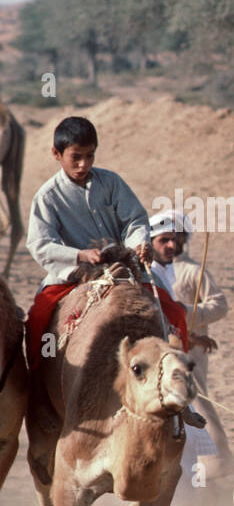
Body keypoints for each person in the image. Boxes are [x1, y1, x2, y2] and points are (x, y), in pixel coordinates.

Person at [25, 116, 188, 366]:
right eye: (76, 157)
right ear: (56, 154)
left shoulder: (111, 183)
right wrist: (80, 255)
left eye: (89, 156)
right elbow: (39, 244)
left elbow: (134, 219)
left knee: (175, 313)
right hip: (74, 275)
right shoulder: (47, 197)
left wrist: (139, 244)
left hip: (123, 268)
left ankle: (179, 383)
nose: (83, 164)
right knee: (38, 321)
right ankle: (38, 395)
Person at [148, 208, 234, 476]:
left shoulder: (192, 271)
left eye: (176, 239)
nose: (171, 245)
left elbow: (220, 305)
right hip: (157, 352)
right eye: (164, 240)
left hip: (192, 355)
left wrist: (185, 314)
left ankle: (215, 467)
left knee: (196, 403)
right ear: (151, 241)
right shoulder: (146, 273)